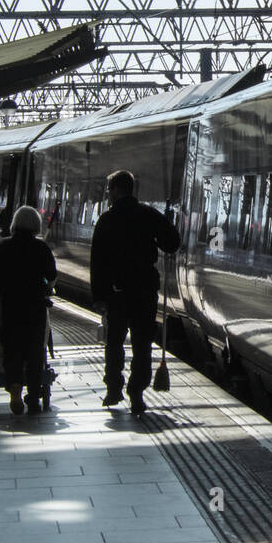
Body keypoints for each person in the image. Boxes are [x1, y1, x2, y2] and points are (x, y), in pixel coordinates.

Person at [90, 170, 180, 414]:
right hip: (144, 291)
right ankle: (137, 392)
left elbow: (97, 260)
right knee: (142, 344)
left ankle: (113, 389)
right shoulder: (148, 214)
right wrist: (166, 224)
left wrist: (98, 296)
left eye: (110, 190)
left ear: (117, 190)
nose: (108, 194)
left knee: (114, 342)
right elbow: (172, 242)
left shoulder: (106, 220)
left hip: (117, 292)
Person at [0, 206, 57, 415]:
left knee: (12, 348)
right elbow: (51, 275)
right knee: (35, 351)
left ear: (15, 223)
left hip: (9, 306)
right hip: (35, 307)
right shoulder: (41, 248)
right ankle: (34, 397)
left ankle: (15, 390)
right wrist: (46, 286)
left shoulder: (3, 247)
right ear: (36, 225)